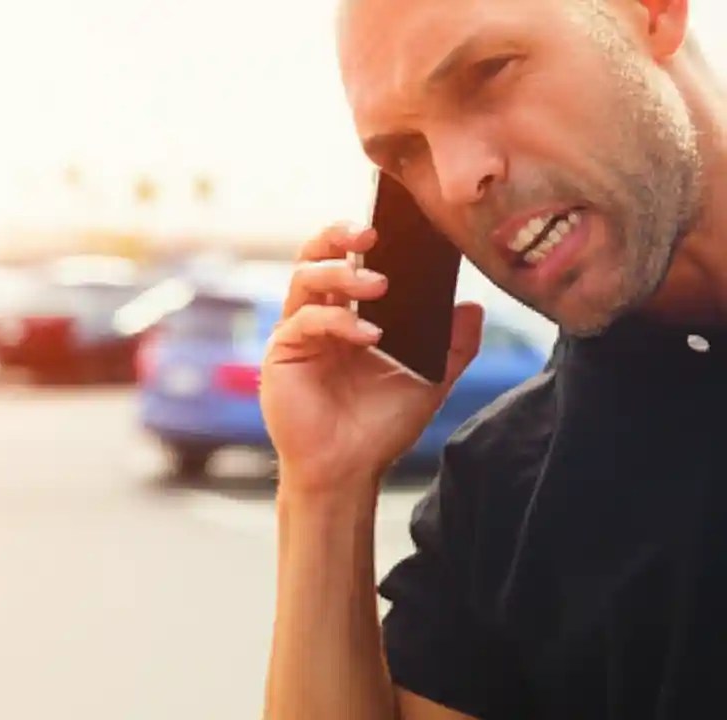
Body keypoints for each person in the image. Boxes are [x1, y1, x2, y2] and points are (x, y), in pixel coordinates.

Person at [261, 0, 727, 718]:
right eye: (404, 153)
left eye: (487, 74)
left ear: (653, 12)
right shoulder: (506, 485)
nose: (453, 181)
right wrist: (324, 489)